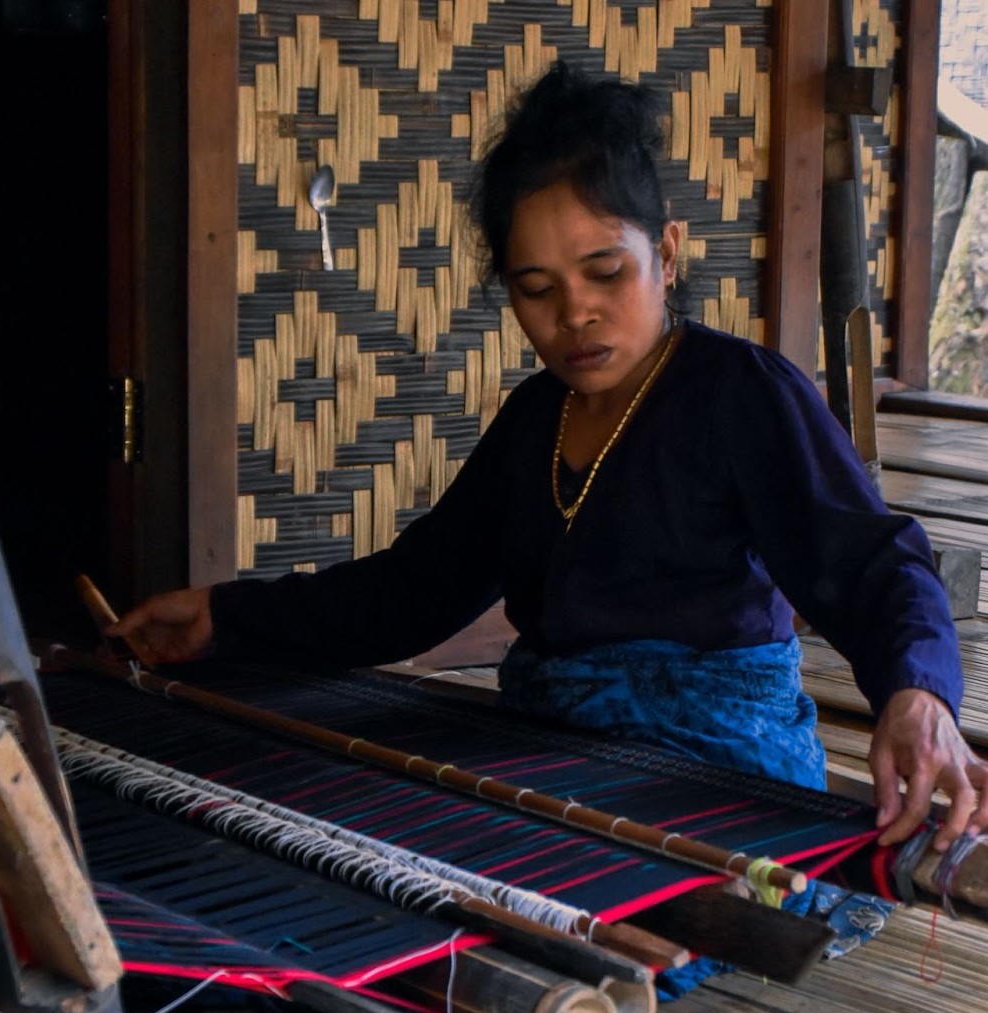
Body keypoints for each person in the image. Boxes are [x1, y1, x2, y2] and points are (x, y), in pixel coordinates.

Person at [110, 61, 986, 856]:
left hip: (713, 775)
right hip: (551, 753)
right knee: (320, 847)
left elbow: (872, 560)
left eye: (606, 272)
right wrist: (225, 619)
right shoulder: (536, 418)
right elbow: (414, 590)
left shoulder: (740, 393)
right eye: (537, 290)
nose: (575, 314)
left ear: (667, 253)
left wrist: (918, 696)